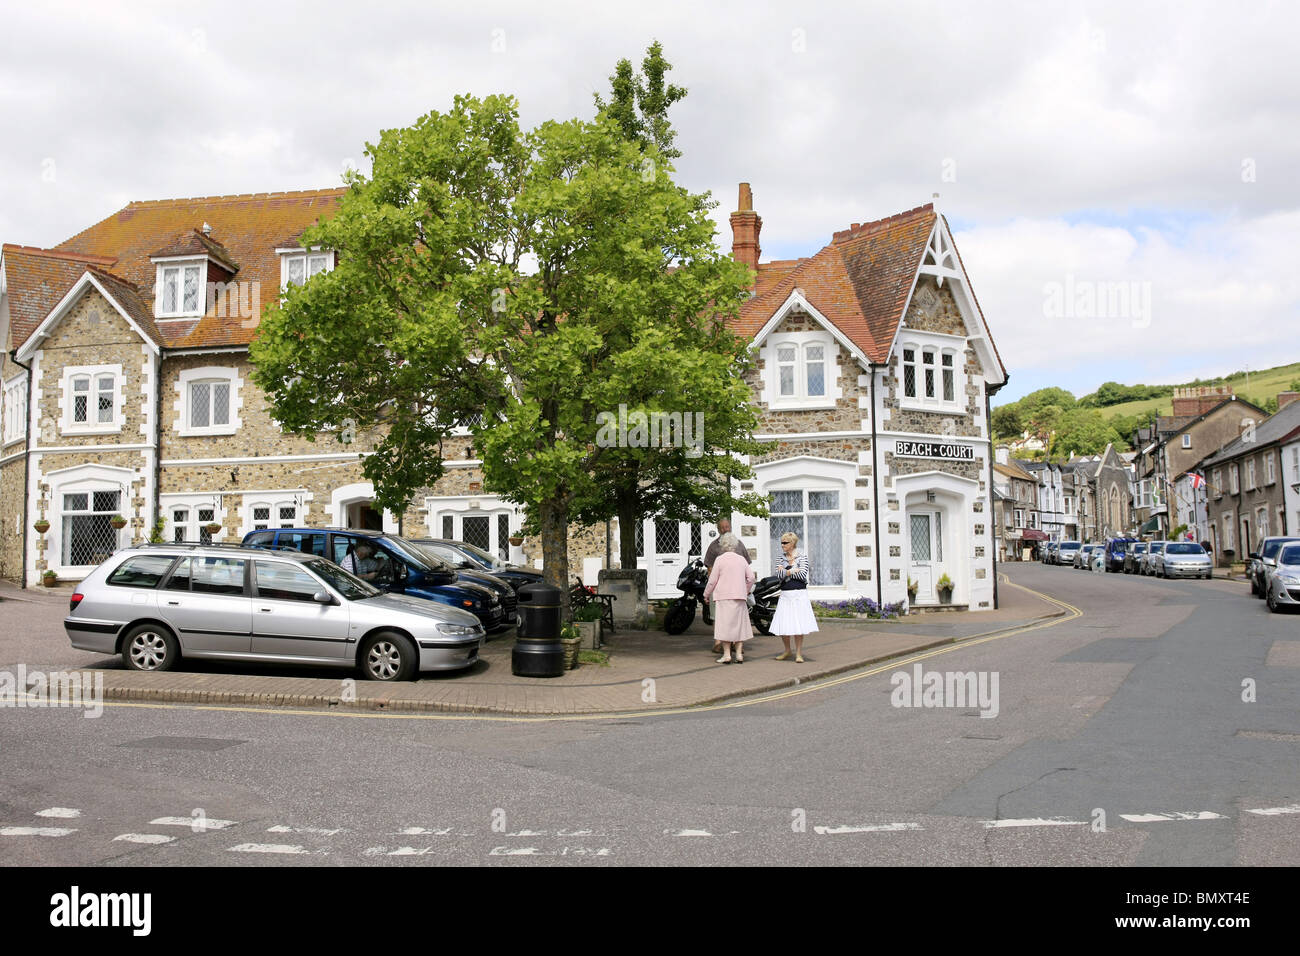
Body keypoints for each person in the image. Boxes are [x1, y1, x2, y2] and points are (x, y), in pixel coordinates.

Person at [702, 533, 756, 664]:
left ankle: (727, 655)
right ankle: (738, 654)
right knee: (739, 626)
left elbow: (712, 581)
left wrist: (706, 594)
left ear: (722, 545)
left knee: (724, 626)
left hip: (723, 597)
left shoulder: (720, 560)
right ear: (735, 545)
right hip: (739, 596)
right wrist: (746, 590)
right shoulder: (741, 559)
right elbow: (751, 578)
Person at [772, 531, 818, 662]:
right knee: (784, 625)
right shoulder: (780, 557)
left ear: (792, 543)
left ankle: (798, 653)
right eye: (781, 542)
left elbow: (802, 574)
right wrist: (792, 570)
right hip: (785, 594)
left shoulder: (802, 556)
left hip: (799, 594)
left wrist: (786, 571)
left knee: (798, 625)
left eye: (785, 542)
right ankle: (787, 650)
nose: (782, 545)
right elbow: (778, 574)